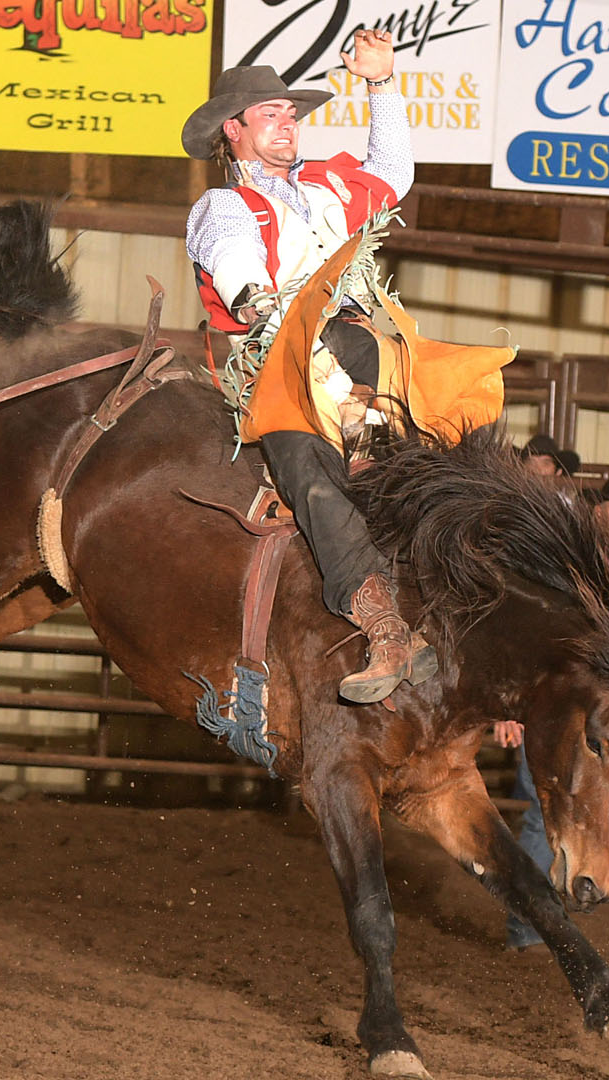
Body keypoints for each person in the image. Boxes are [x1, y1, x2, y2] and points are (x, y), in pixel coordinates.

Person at [182, 34, 429, 704]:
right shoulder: (224, 207)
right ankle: (381, 622)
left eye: (290, 114)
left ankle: (434, 577)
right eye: (271, 115)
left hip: (355, 348)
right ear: (234, 131)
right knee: (309, 469)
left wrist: (380, 86)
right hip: (280, 360)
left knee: (413, 454)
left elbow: (394, 175)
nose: (287, 124)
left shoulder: (323, 186)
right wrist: (264, 306)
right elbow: (234, 263)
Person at [500, 468, 609, 949]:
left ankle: (538, 922)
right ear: (598, 513)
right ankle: (529, 929)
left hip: (605, 723)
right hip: (563, 715)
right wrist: (513, 707)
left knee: (582, 811)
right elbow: (535, 644)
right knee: (543, 812)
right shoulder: (568, 569)